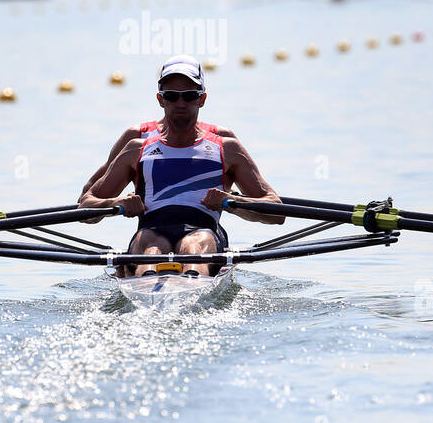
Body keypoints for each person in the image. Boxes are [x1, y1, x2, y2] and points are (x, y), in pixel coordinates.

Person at [79, 55, 283, 278]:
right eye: (172, 96)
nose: (180, 103)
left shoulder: (227, 148)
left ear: (202, 99)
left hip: (204, 232)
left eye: (189, 96)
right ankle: (148, 281)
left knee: (195, 246)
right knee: (150, 247)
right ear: (160, 100)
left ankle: (192, 280)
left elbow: (276, 211)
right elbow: (85, 207)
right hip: (151, 231)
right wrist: (117, 203)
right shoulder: (135, 148)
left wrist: (231, 202)